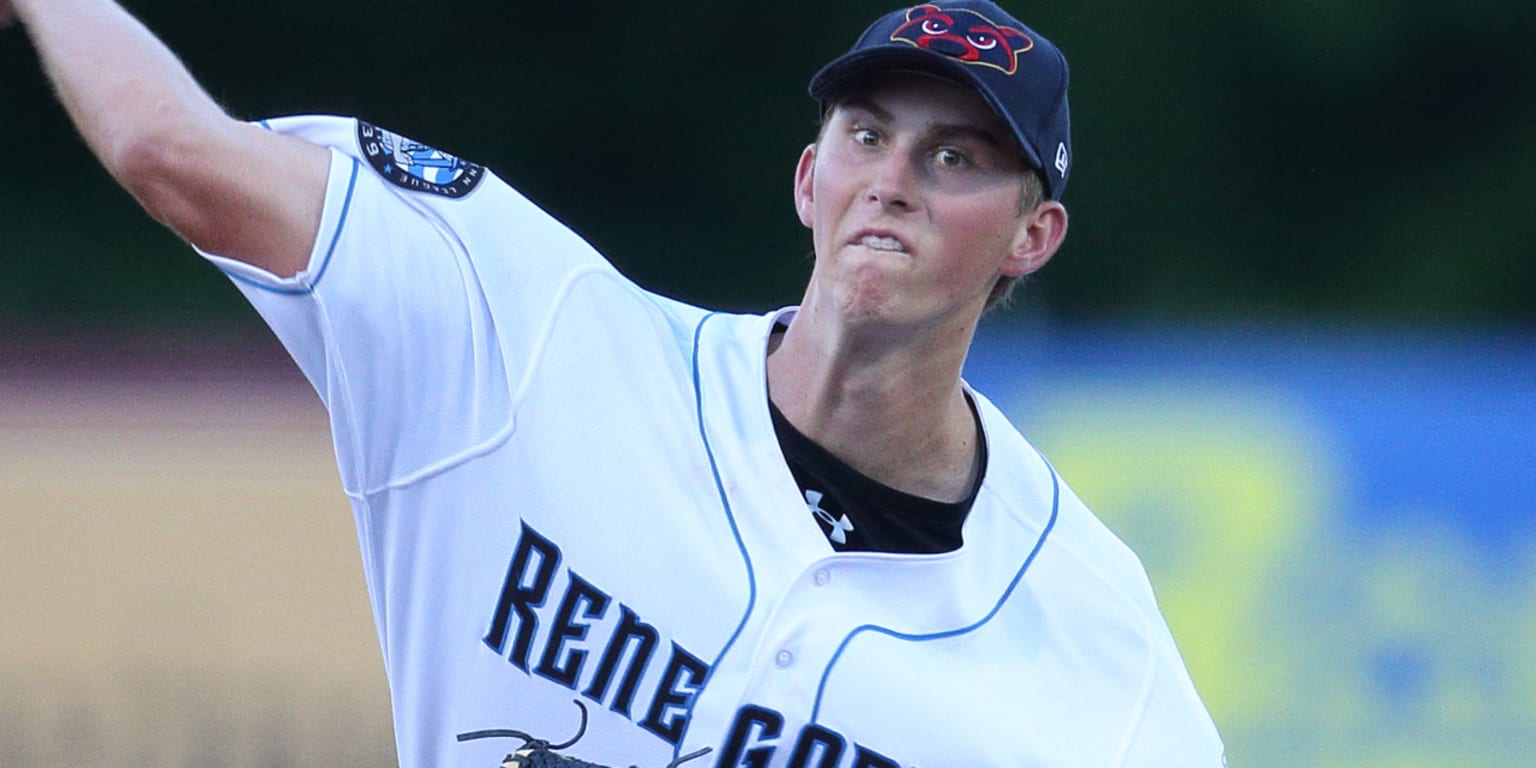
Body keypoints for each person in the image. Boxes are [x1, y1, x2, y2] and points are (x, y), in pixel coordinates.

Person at [4, 0, 1226, 765]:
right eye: (868, 135)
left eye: (956, 156)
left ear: (1032, 240)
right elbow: (173, 149)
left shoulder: (1094, 647)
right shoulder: (537, 337)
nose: (894, 179)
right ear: (809, 180)